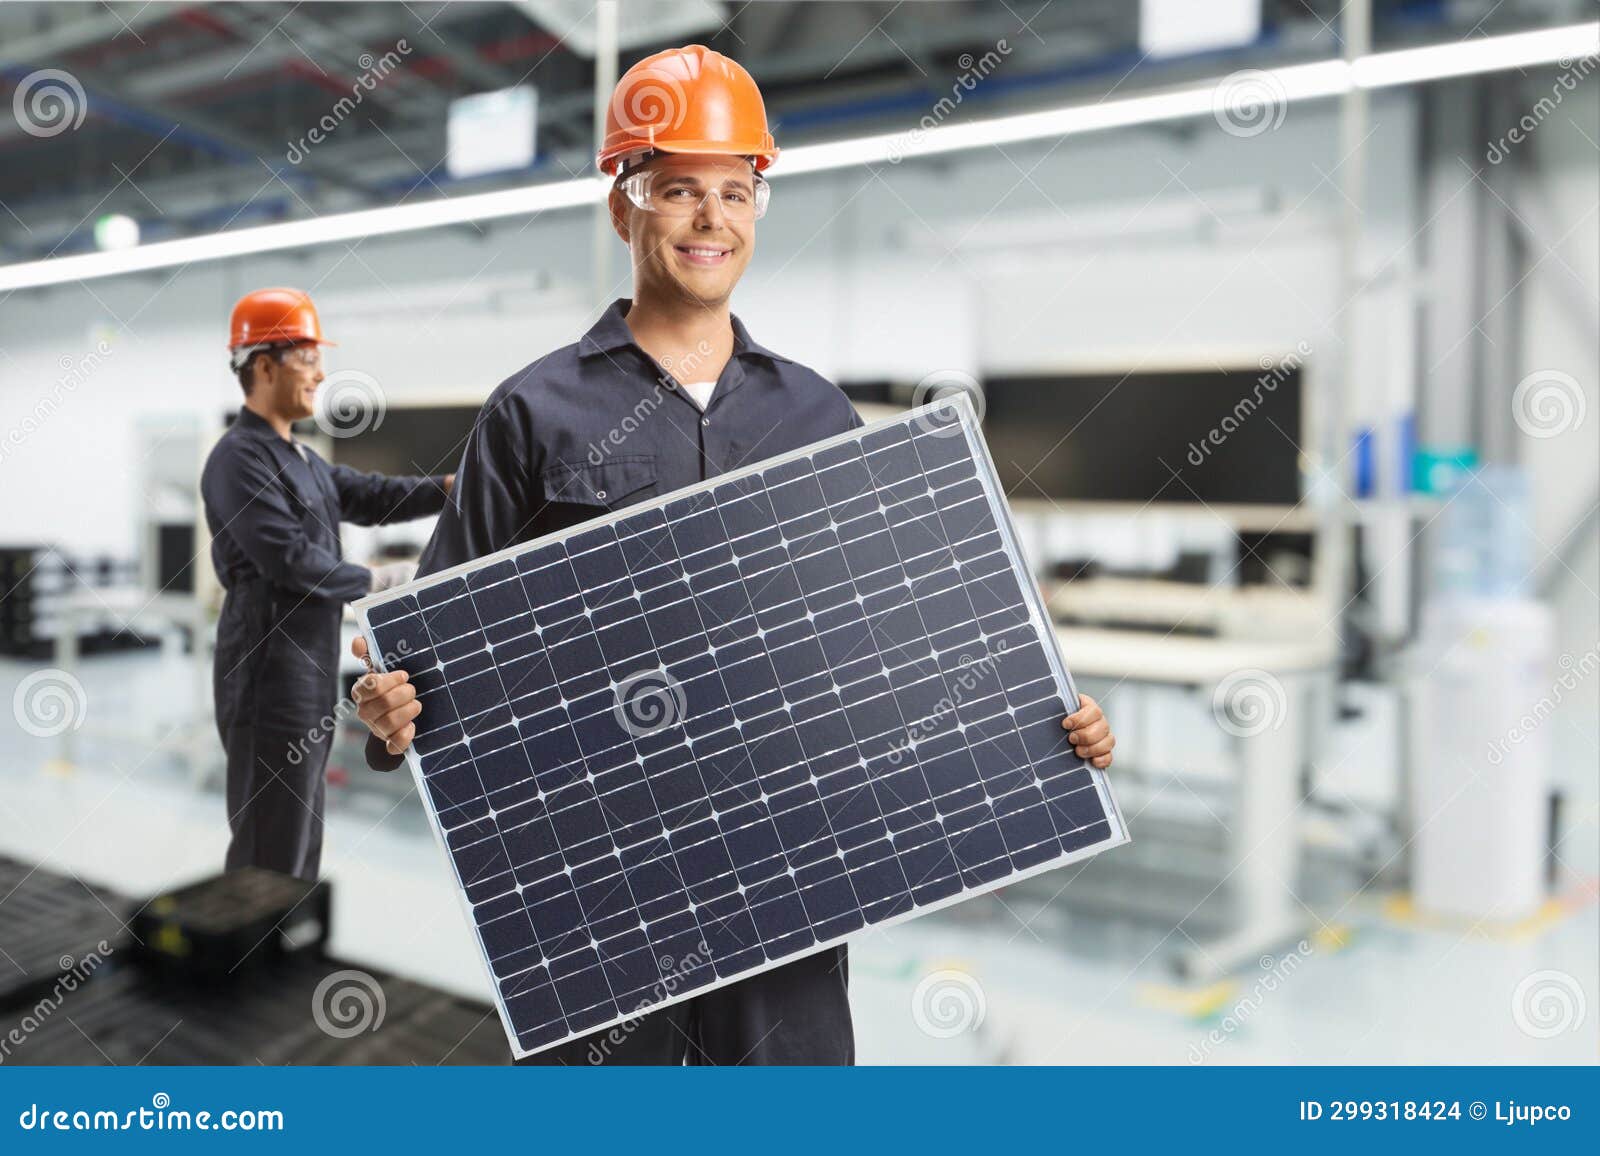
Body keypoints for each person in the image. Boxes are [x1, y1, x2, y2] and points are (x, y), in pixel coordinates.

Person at [351, 46, 1116, 1064]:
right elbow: (436, 653)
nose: (711, 218)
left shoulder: (817, 412)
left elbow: (887, 641)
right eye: (678, 190)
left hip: (795, 881)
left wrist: (1039, 725)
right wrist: (386, 711)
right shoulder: (531, 413)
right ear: (622, 207)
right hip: (605, 891)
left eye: (735, 191)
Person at [201, 287, 453, 881]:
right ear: (264, 366)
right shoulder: (238, 459)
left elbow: (372, 495)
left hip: (306, 667)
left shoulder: (303, 459)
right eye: (308, 359)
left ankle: (289, 929)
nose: (320, 374)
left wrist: (452, 486)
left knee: (301, 833)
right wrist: (378, 579)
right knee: (271, 844)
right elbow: (288, 559)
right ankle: (258, 935)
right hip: (266, 670)